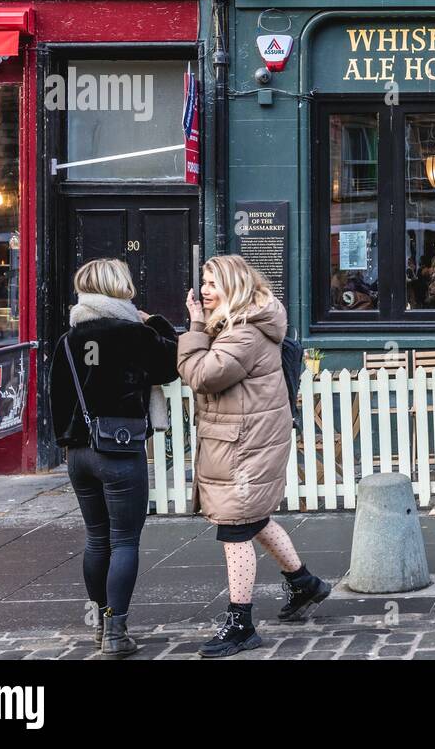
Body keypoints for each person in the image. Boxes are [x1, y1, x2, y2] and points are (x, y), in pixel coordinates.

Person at [177, 254, 330, 658]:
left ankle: (240, 624)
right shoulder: (241, 325)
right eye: (204, 283)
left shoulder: (243, 334)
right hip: (244, 439)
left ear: (233, 286)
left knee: (234, 529)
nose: (204, 292)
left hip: (244, 445)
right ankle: (305, 584)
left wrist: (193, 328)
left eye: (212, 284)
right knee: (255, 519)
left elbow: (201, 375)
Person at [47, 258, 179, 658]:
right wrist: (155, 323)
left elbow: (56, 398)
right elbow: (173, 365)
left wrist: (72, 440)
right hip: (120, 451)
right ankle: (117, 634)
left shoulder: (68, 340)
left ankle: (100, 624)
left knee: (96, 538)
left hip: (79, 455)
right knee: (125, 540)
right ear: (119, 287)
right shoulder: (134, 334)